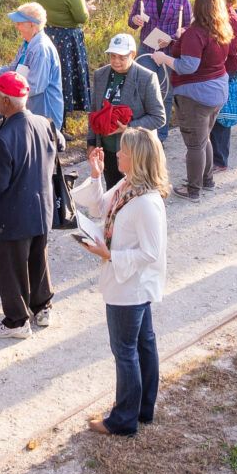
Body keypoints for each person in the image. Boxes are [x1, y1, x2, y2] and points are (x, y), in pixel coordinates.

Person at [71, 127, 171, 435]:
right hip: (127, 281)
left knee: (125, 350)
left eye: (124, 152)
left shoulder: (147, 202)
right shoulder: (128, 185)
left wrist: (109, 254)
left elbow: (151, 252)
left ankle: (124, 420)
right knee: (143, 344)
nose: (118, 154)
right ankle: (142, 409)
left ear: (137, 159)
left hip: (131, 285)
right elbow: (100, 207)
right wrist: (96, 174)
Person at [0, 71, 59, 338]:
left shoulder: (3, 138)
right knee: (38, 261)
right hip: (41, 209)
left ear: (7, 101)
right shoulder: (44, 123)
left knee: (10, 269)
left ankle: (17, 321)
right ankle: (43, 308)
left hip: (13, 215)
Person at [153, 0, 237, 199]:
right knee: (204, 139)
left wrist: (164, 58)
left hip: (196, 96)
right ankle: (207, 180)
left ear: (197, 7)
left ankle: (193, 190)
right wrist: (176, 43)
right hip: (218, 90)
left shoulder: (195, 33)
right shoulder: (222, 28)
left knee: (194, 145)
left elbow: (188, 66)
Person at [88, 33, 167, 190]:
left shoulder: (147, 78)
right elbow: (94, 111)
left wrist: (128, 127)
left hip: (135, 152)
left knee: (137, 194)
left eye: (122, 57)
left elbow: (158, 117)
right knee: (113, 191)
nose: (116, 61)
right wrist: (91, 143)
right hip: (107, 149)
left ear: (133, 54)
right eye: (113, 56)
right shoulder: (100, 75)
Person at [127, 0, 191, 127]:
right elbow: (131, 20)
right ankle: (142, 130)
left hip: (169, 52)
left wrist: (178, 34)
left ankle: (161, 134)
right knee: (143, 90)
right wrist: (135, 20)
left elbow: (189, 27)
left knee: (166, 93)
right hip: (147, 50)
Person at [36, 0, 94, 122]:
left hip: (47, 35)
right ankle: (61, 122)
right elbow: (81, 17)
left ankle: (50, 120)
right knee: (66, 78)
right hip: (68, 40)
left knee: (52, 78)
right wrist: (87, 9)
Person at [205, 0, 237, 173]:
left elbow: (231, 51)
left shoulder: (233, 20)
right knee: (210, 117)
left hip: (227, 73)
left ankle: (220, 160)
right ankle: (210, 157)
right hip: (213, 71)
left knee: (222, 119)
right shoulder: (212, 13)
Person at [0, 2, 65, 130]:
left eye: (20, 22)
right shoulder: (27, 43)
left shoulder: (41, 48)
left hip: (44, 115)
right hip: (32, 114)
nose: (17, 26)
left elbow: (35, 87)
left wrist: (6, 93)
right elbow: (13, 70)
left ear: (32, 24)